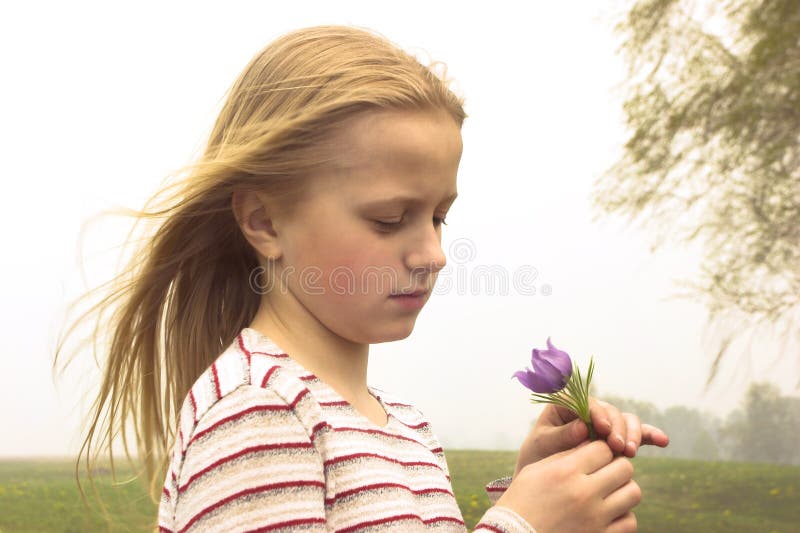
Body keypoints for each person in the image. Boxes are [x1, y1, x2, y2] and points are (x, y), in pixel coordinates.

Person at [58, 25, 668, 532]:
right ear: (263, 220)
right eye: (389, 219)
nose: (433, 253)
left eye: (438, 217)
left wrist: (535, 485)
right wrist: (524, 526)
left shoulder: (405, 426)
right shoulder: (261, 414)